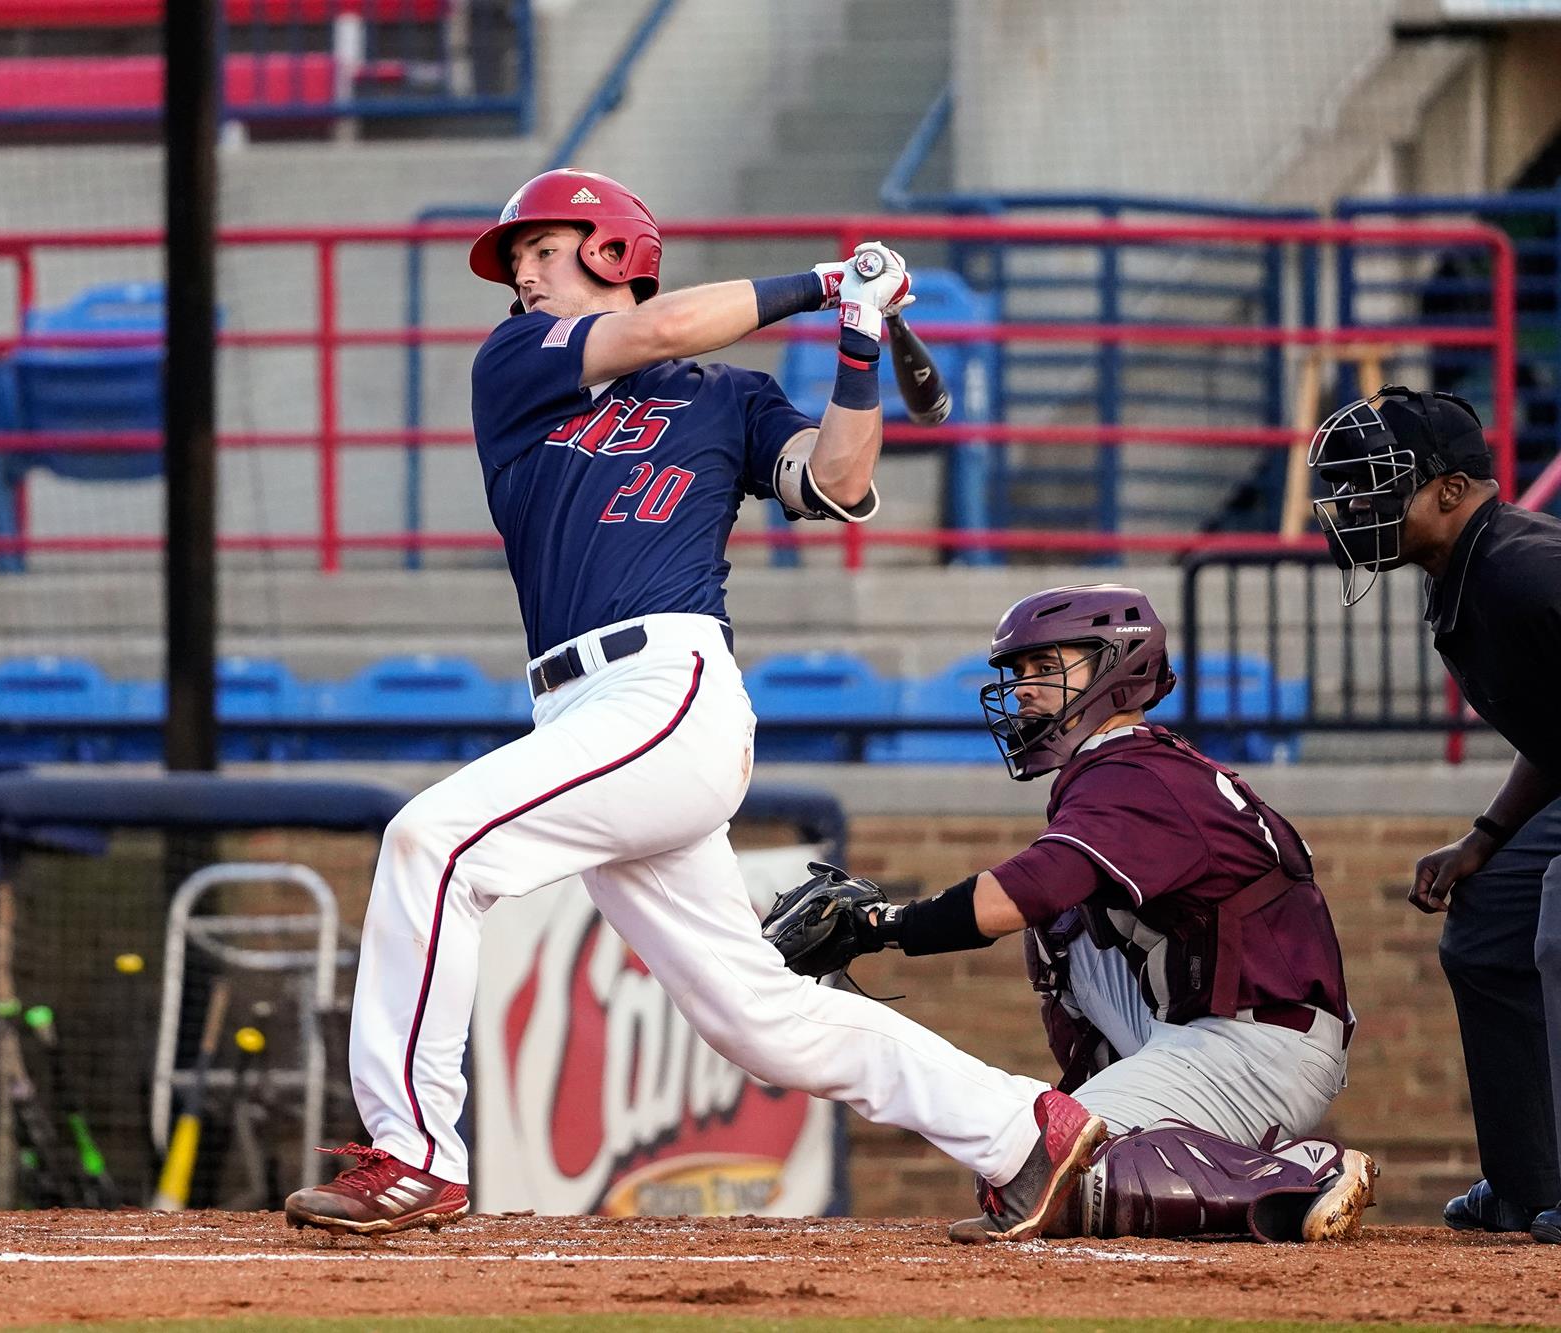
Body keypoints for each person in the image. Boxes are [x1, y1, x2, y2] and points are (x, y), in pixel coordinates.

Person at [282, 168, 1106, 1240]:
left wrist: (857, 340)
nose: (522, 271)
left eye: (543, 247)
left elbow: (839, 483)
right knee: (756, 1018)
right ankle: (1018, 1130)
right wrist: (824, 280)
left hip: (664, 691)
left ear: (611, 249)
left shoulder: (730, 397)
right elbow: (659, 327)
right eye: (517, 255)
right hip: (582, 715)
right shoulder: (517, 365)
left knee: (430, 843)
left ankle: (414, 1155)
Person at [762, 583, 1378, 1242]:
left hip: (1261, 1043)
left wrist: (880, 924)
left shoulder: (1132, 773)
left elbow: (1012, 896)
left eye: (1045, 666)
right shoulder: (1130, 763)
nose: (1025, 687)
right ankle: (1107, 1111)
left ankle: (1298, 1172)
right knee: (1062, 941)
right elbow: (1043, 903)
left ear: (1116, 666)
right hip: (1211, 1019)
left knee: (1049, 1170)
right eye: (1020, 672)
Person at [1309, 385, 1561, 1244]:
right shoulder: (1471, 572)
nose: (1351, 507)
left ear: (1451, 491)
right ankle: (1529, 1184)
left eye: (1378, 485)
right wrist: (1487, 837)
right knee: (1488, 929)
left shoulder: (1524, 569)